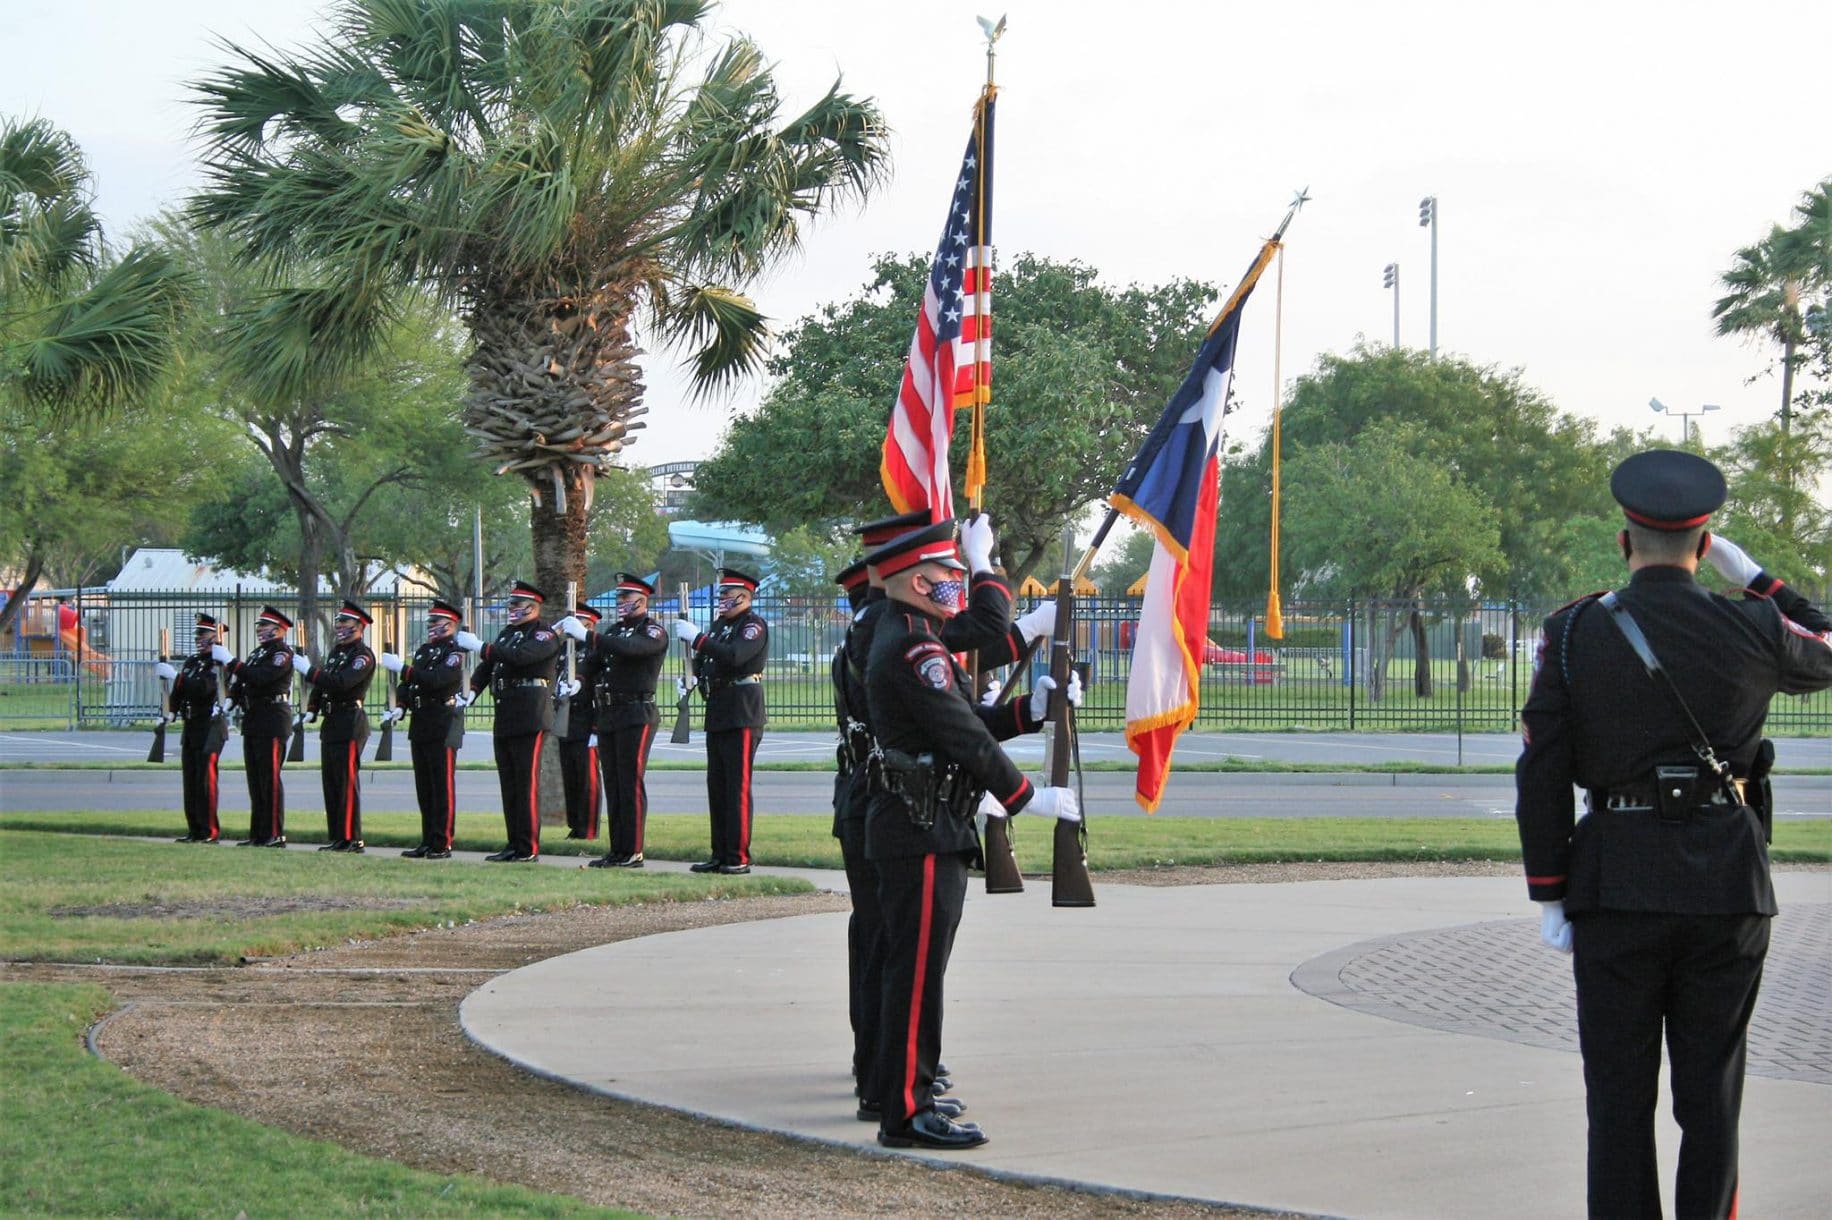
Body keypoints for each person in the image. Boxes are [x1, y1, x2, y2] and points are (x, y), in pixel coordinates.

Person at [1515, 449, 1832, 1220]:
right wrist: (1759, 578)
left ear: (1625, 543)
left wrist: (1550, 892)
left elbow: (1542, 773)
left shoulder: (1577, 631)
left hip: (1615, 886)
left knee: (1617, 1101)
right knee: (1711, 1098)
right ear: (1706, 543)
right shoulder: (1753, 625)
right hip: (1726, 886)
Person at [861, 521, 1082, 1150]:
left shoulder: (914, 637)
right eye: (946, 572)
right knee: (917, 974)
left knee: (917, 968)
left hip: (925, 822)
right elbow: (962, 738)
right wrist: (1026, 797)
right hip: (922, 825)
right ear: (915, 580)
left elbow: (965, 720)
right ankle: (906, 1112)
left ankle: (914, 1089)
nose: (956, 581)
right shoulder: (914, 650)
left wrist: (1029, 711)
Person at [562, 574, 668, 869]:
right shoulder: (615, 630)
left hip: (636, 712)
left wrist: (588, 635)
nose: (621, 602)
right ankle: (617, 849)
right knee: (614, 784)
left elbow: (630, 650)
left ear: (642, 600)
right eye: (619, 597)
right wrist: (579, 679)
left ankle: (633, 850)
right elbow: (593, 660)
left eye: (626, 597)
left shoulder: (652, 631)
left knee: (630, 783)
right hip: (609, 714)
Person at [675, 568, 768, 874]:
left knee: (737, 785)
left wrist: (698, 639)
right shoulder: (719, 625)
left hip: (742, 709)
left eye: (728, 594)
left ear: (745, 595)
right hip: (718, 708)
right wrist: (691, 677)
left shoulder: (752, 625)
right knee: (717, 785)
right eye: (722, 594)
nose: (723, 599)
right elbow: (705, 661)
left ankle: (737, 855)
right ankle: (720, 852)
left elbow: (735, 656)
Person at [461, 580, 562, 862]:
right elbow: (488, 667)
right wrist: (471, 690)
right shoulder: (507, 633)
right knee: (510, 782)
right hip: (506, 711)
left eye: (518, 605)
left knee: (526, 782)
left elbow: (520, 658)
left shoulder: (544, 635)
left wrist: (482, 647)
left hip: (530, 713)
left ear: (534, 606)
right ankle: (513, 842)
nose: (513, 609)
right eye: (511, 604)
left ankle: (528, 846)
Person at [383, 599, 469, 859]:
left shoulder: (456, 652)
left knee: (442, 785)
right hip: (421, 721)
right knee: (425, 786)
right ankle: (427, 839)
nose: (430, 625)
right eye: (429, 621)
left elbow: (436, 680)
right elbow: (408, 685)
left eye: (435, 621)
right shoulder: (424, 651)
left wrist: (404, 669)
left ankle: (442, 842)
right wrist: (400, 705)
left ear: (451, 624)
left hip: (443, 720)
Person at [299, 599, 378, 852]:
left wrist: (310, 672)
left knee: (345, 782)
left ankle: (351, 838)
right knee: (331, 782)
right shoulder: (336, 653)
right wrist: (311, 709)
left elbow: (342, 683)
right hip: (332, 722)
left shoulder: (362, 655)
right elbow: (323, 686)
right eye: (338, 621)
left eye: (345, 621)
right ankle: (337, 836)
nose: (340, 625)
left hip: (350, 722)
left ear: (359, 626)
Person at [221, 605, 295, 846]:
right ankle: (259, 834)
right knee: (255, 779)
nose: (260, 630)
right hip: (254, 717)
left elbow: (261, 677)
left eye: (265, 626)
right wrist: (232, 697)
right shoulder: (257, 653)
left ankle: (274, 833)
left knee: (269, 778)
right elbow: (244, 679)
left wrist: (232, 663)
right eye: (259, 626)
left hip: (272, 717)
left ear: (279, 629)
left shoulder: (281, 653)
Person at [159, 613, 230, 843]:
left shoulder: (218, 664)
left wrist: (176, 677)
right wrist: (170, 712)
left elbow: (204, 689)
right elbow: (179, 693)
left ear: (215, 636)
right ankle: (194, 829)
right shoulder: (192, 662)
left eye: (204, 634)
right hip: (190, 726)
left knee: (205, 781)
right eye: (197, 634)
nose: (199, 639)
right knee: (190, 780)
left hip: (209, 727)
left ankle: (210, 830)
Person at [553, 603, 603, 841]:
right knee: (569, 774)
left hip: (587, 716)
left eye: (579, 621)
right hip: (565, 716)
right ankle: (575, 825)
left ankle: (589, 828)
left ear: (590, 624)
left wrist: (596, 727)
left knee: (587, 777)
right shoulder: (564, 648)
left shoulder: (594, 649)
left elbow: (599, 688)